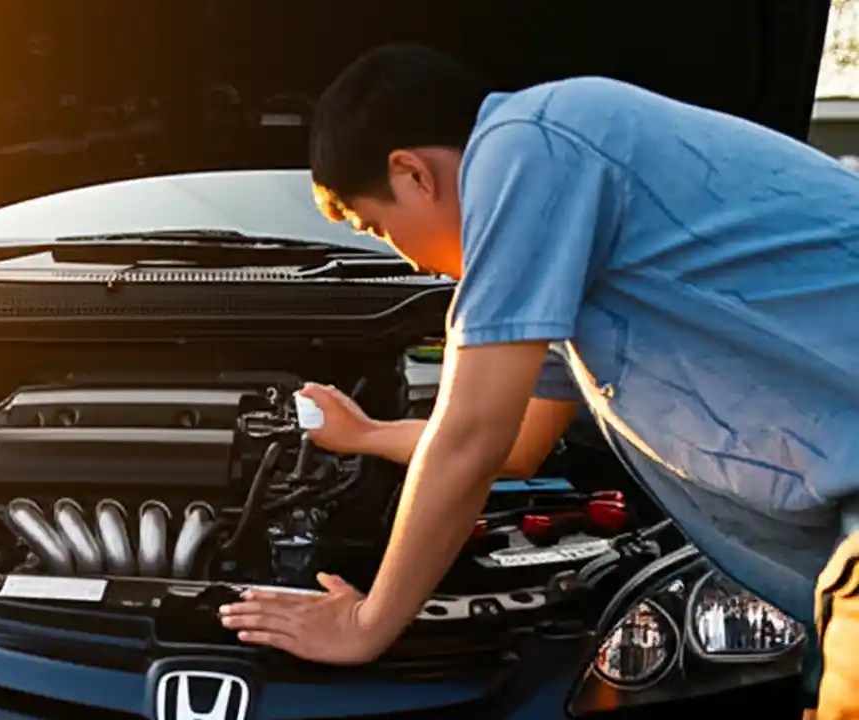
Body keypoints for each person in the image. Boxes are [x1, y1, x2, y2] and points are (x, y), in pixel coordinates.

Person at [214, 43, 859, 718]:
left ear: (412, 173)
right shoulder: (566, 226)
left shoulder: (526, 146)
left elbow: (473, 437)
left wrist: (365, 624)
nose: (408, 260)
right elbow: (519, 444)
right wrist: (368, 435)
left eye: (379, 227)